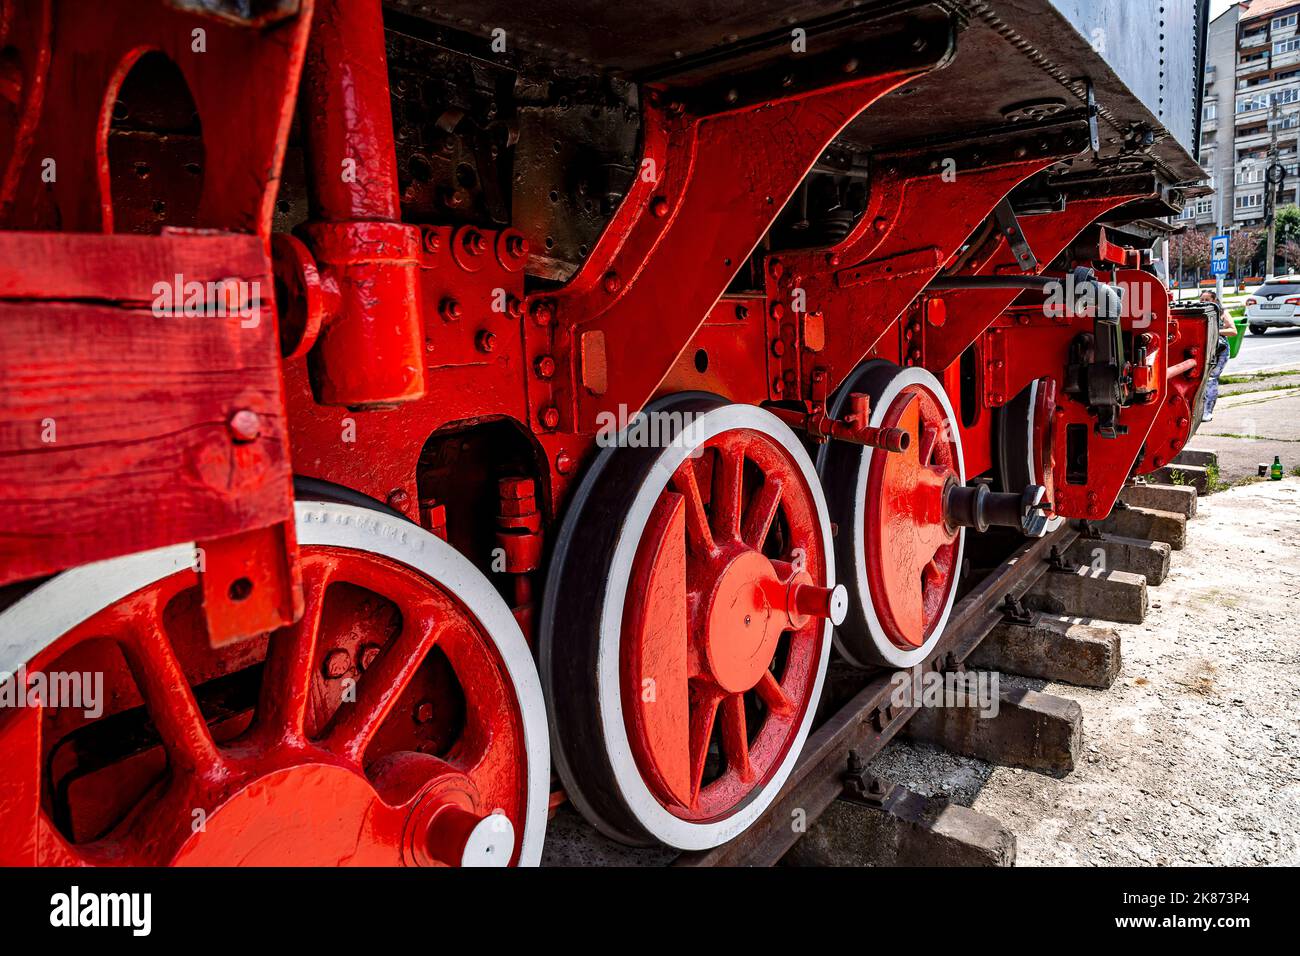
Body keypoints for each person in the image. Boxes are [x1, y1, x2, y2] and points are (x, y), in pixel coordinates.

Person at [1199, 289, 1236, 423]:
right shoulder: (1200, 313)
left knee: (1211, 380)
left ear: (1214, 301)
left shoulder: (1222, 313)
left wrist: (1216, 331)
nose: (1203, 302)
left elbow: (1233, 331)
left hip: (1220, 351)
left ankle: (1208, 411)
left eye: (1207, 300)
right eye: (1202, 300)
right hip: (1204, 351)